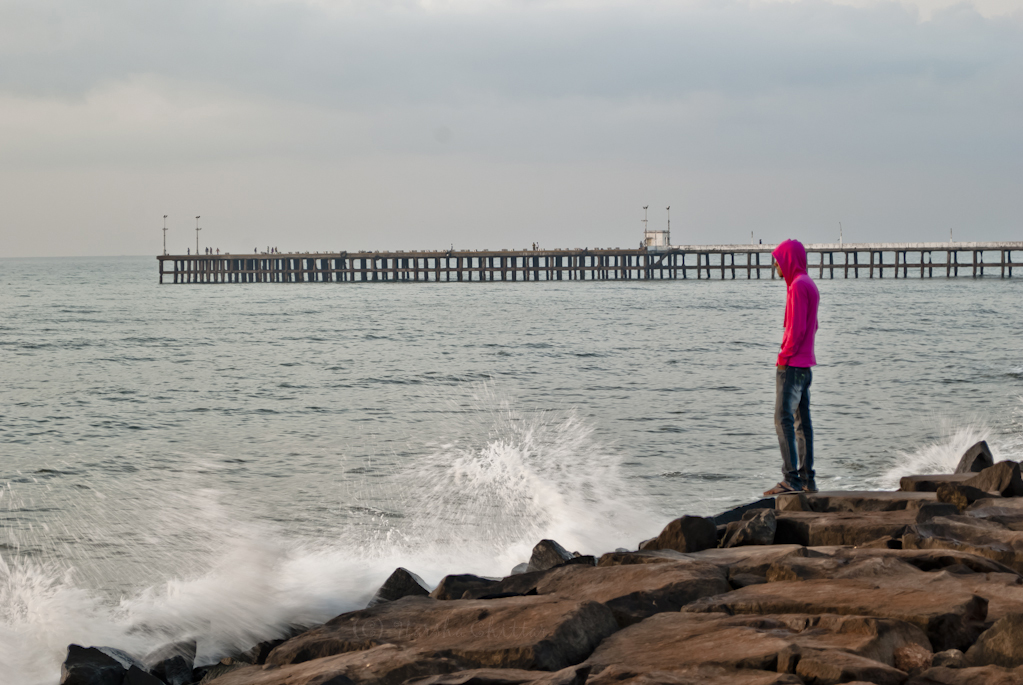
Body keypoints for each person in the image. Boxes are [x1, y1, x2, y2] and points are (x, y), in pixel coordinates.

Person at [764, 239, 820, 496]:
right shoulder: (808, 283)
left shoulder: (797, 286)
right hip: (805, 366)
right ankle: (808, 480)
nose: (775, 265)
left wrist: (783, 357)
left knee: (783, 419)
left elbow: (796, 330)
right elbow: (813, 326)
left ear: (788, 260)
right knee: (802, 423)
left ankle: (790, 480)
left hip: (793, 365)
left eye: (778, 260)